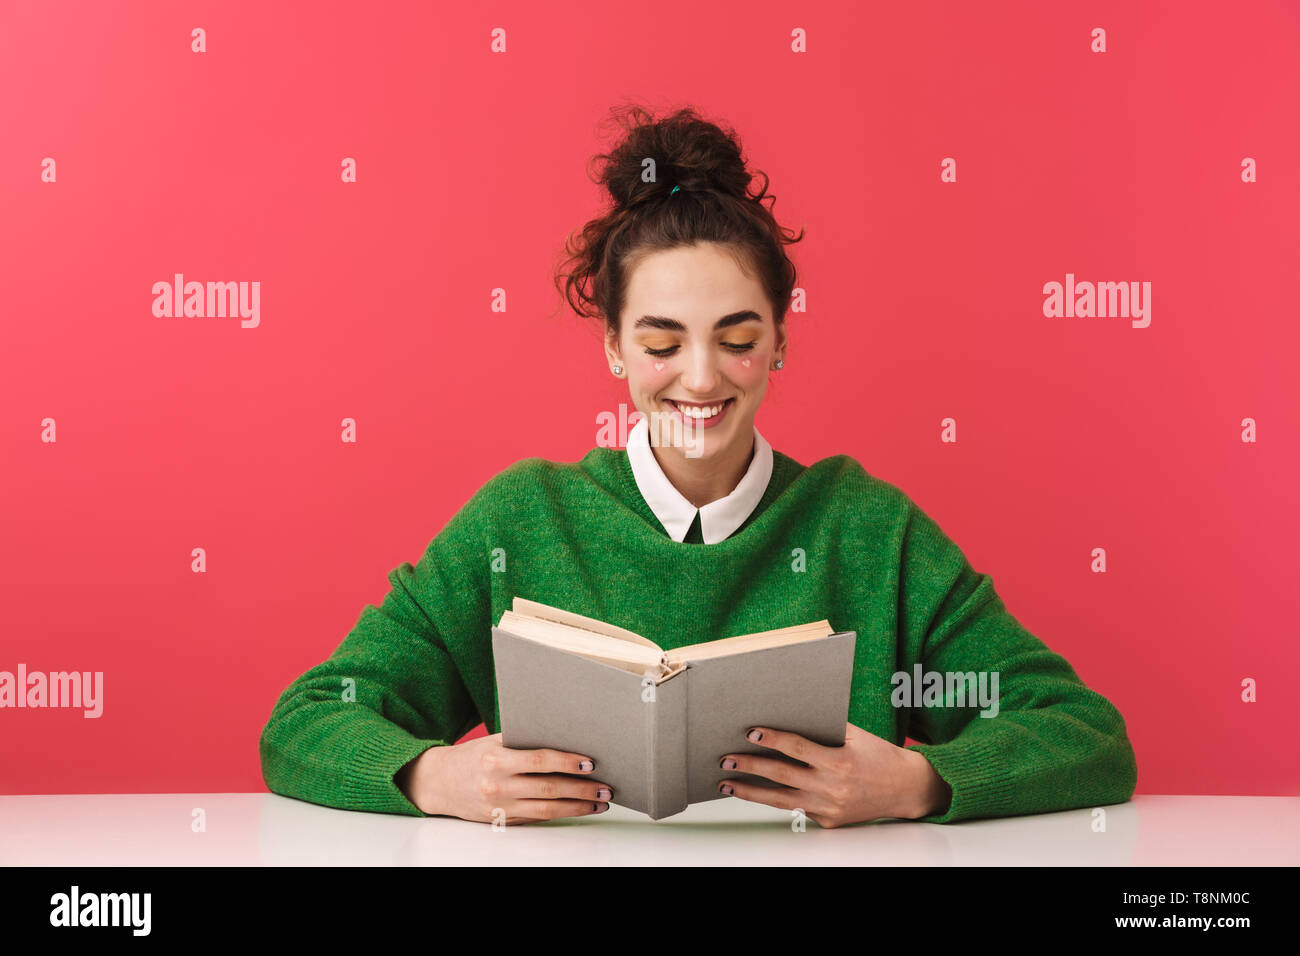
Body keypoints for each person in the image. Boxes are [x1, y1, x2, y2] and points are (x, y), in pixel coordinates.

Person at [258, 104, 1137, 827]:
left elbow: (1087, 736)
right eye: (661, 342)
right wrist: (429, 777)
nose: (703, 378)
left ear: (781, 341)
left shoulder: (866, 527)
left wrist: (920, 784)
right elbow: (305, 723)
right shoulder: (518, 520)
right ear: (612, 349)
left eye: (739, 338)